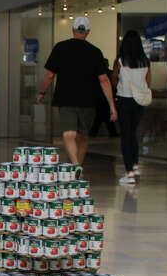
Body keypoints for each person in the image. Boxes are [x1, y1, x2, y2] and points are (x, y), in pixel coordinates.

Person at [38, 16, 117, 166]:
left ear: (73, 30)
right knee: (83, 136)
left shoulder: (60, 48)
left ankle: (75, 166)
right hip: (88, 101)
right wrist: (112, 105)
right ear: (88, 32)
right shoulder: (95, 52)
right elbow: (104, 80)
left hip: (66, 98)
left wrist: (42, 92)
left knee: (69, 134)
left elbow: (49, 75)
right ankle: (77, 167)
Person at [111, 30, 151, 185]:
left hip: (124, 100)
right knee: (133, 135)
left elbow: (114, 81)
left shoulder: (119, 61)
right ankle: (135, 166)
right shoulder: (146, 62)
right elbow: (148, 82)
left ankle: (129, 174)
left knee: (126, 137)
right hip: (139, 102)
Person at [89, 59, 119, 138]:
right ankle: (112, 132)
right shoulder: (110, 73)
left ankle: (93, 132)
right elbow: (114, 84)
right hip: (108, 97)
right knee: (103, 115)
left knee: (100, 115)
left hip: (98, 97)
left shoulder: (95, 74)